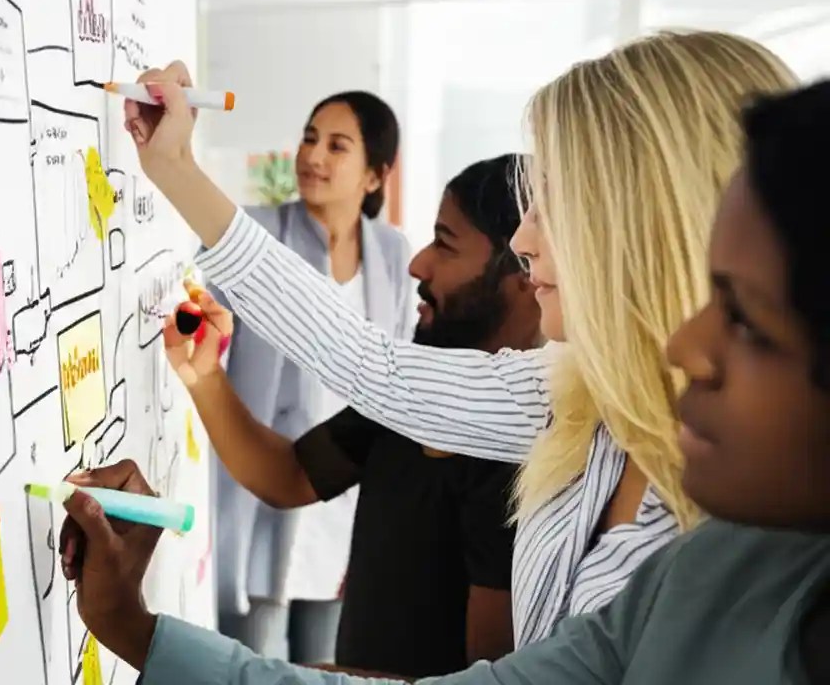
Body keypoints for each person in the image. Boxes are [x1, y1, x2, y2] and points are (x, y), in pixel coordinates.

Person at [57, 78, 830, 684]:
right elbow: (369, 369)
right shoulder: (589, 427)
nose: (525, 240)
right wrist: (137, 631)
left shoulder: (717, 545)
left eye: (745, 316)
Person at [167, 155, 537, 676]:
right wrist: (204, 376)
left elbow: (483, 677)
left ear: (526, 271)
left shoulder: (522, 450)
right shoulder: (415, 392)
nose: (418, 265)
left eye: (445, 244)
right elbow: (290, 475)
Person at [209, 91, 412, 664]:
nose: (313, 156)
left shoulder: (393, 253)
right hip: (263, 491)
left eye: (336, 145)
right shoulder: (256, 232)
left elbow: (398, 376)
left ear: (375, 175)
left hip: (345, 502)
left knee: (329, 667)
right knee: (253, 664)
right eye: (309, 138)